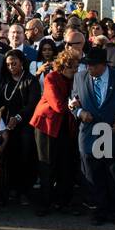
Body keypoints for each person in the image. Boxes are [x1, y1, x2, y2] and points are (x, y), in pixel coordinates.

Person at [69, 45, 115, 226]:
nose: (89, 68)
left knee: (114, 174)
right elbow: (72, 102)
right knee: (93, 175)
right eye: (87, 65)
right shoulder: (79, 78)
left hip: (113, 133)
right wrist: (80, 112)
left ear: (103, 65)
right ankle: (100, 210)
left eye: (92, 65)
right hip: (89, 134)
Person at [30, 46, 78, 216]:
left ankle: (62, 201)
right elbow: (57, 105)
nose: (76, 70)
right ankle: (45, 203)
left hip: (64, 125)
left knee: (65, 164)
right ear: (64, 66)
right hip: (47, 126)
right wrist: (75, 105)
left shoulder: (74, 79)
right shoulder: (51, 78)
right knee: (47, 164)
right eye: (73, 67)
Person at [0, 48, 39, 206]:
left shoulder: (30, 80)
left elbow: (33, 104)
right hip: (7, 124)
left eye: (14, 63)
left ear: (21, 63)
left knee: (25, 156)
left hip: (25, 124)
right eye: (8, 64)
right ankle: (9, 189)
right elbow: (0, 102)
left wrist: (18, 117)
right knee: (8, 156)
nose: (11, 67)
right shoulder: (4, 81)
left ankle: (24, 191)